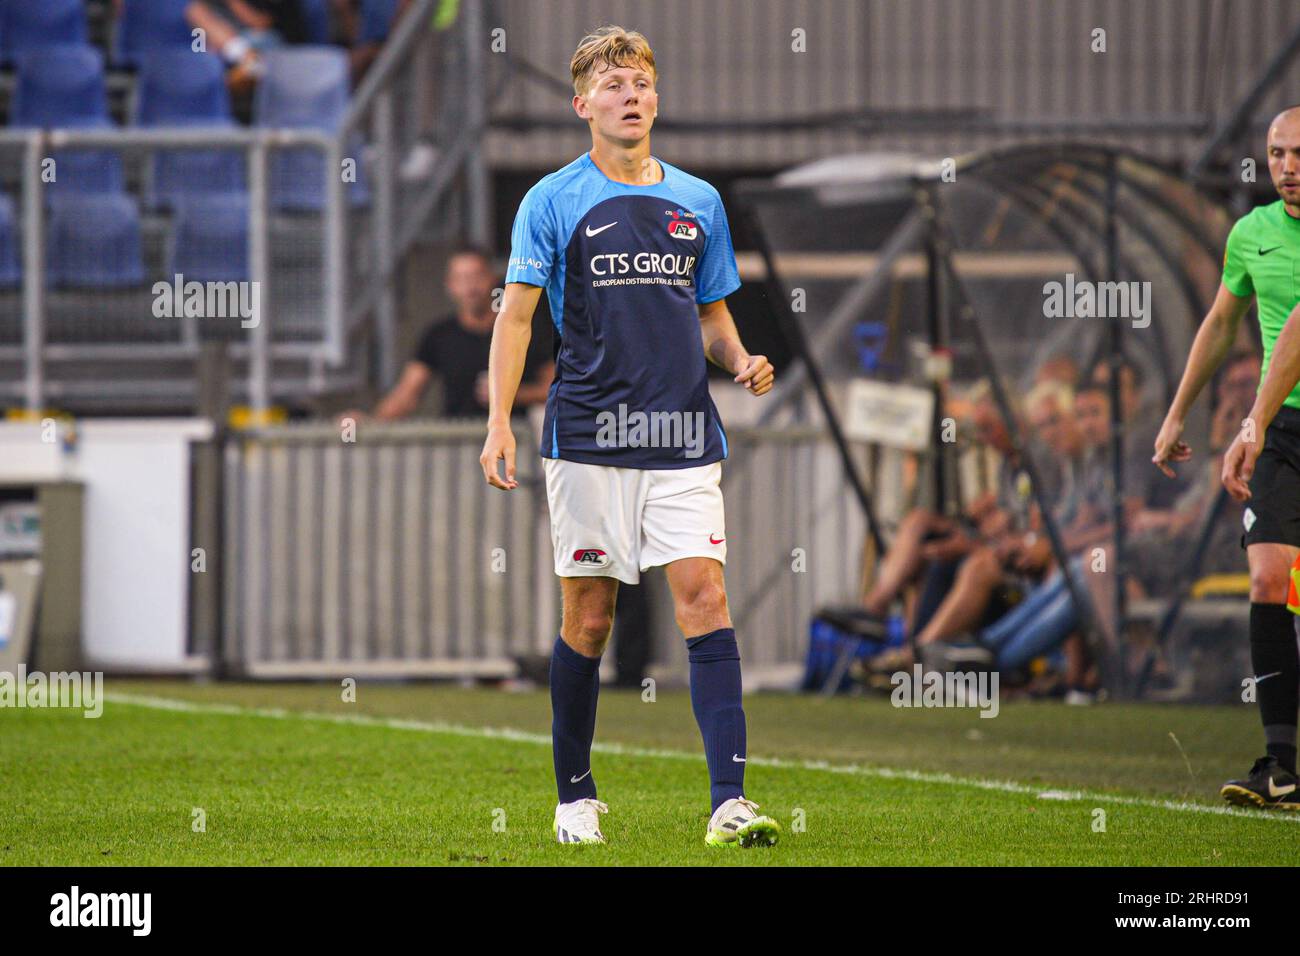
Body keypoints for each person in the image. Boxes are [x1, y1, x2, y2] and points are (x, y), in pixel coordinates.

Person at [478, 26, 780, 848]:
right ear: (582, 104)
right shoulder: (550, 200)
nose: (632, 95)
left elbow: (713, 315)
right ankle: (575, 796)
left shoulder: (700, 201)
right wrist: (501, 420)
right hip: (586, 435)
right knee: (590, 618)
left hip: (683, 433)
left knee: (704, 598)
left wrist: (743, 357)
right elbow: (516, 317)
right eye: (613, 84)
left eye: (642, 82)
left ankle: (729, 802)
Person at [1155, 106, 1300, 810]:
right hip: (1281, 432)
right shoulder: (1251, 235)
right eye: (1276, 154)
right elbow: (1221, 322)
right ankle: (1281, 763)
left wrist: (1248, 422)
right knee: (1269, 578)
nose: (1289, 167)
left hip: (1264, 422)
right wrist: (1178, 411)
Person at [363, 246, 554, 421]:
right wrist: (369, 422)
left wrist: (513, 394)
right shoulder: (439, 335)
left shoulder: (524, 329)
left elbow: (555, 389)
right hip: (459, 444)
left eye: (477, 276)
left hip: (514, 443)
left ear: (493, 279)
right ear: (450, 285)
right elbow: (407, 396)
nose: (470, 287)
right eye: (461, 279)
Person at [185, 0, 309, 92]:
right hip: (228, 47)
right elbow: (199, 20)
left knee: (260, 39)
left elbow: (260, 23)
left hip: (271, 44)